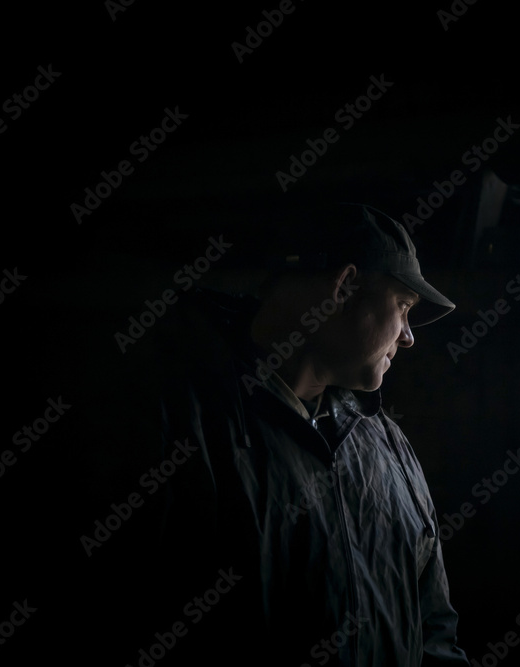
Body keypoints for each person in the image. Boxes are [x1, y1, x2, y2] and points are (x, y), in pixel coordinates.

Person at [154, 202, 469, 665]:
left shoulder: (390, 447)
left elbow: (435, 628)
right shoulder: (189, 426)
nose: (408, 336)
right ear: (345, 288)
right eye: (403, 306)